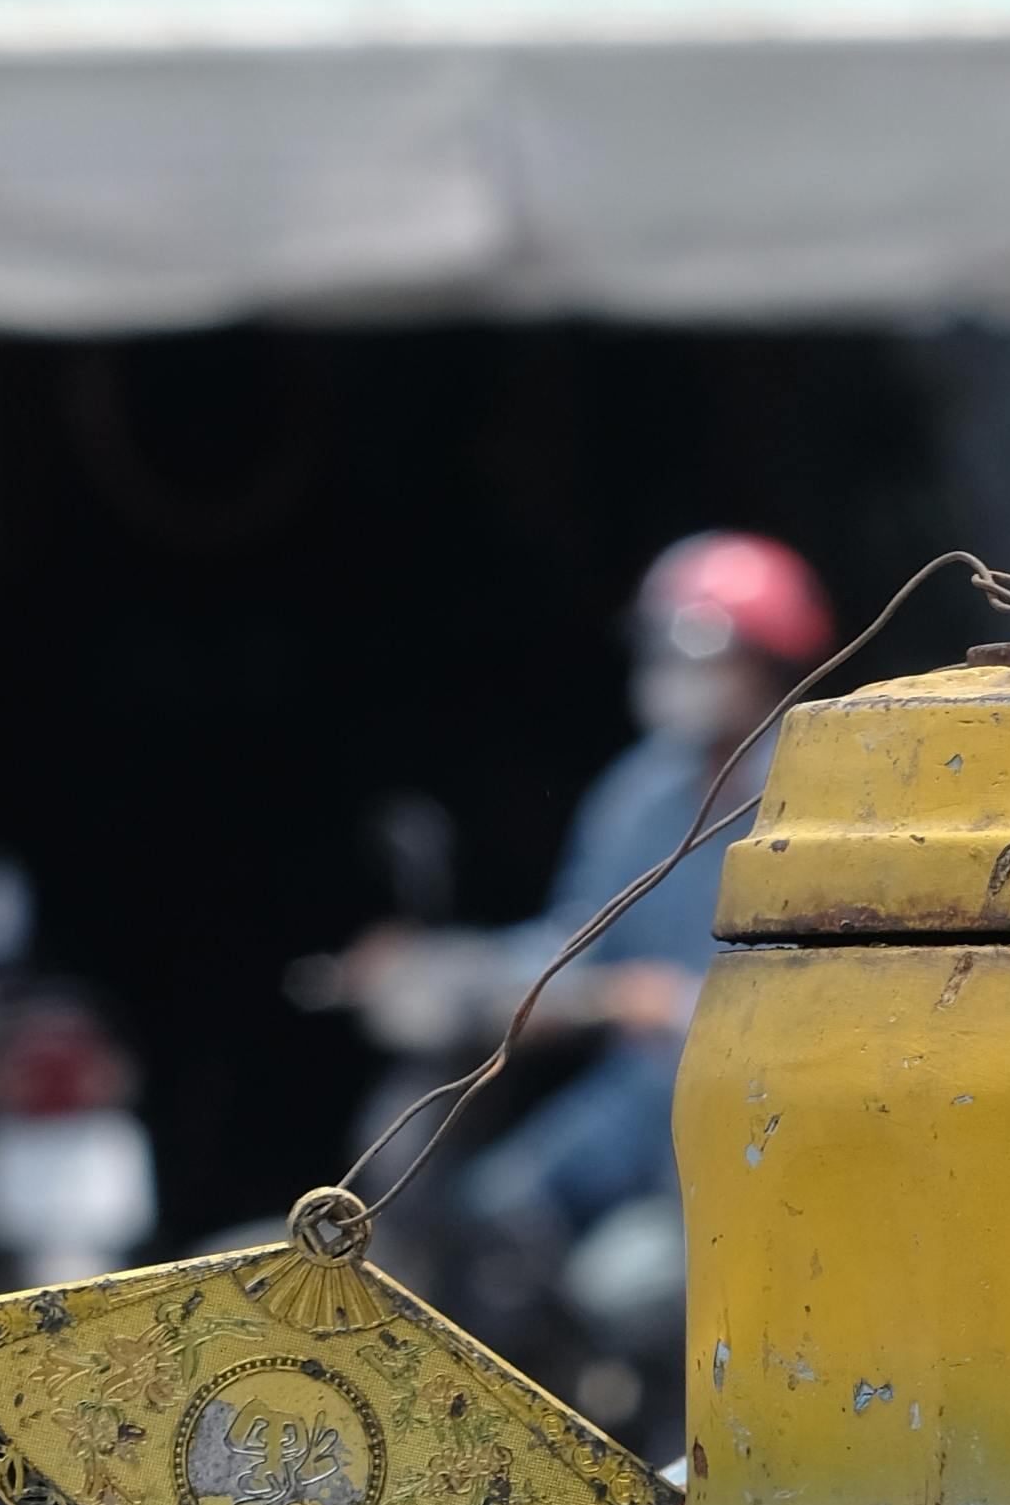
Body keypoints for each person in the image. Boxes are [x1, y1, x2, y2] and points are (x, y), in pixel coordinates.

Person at [322, 531, 834, 1355]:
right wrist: (455, 967)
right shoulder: (642, 791)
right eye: (660, 645)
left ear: (770, 663)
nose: (674, 671)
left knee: (645, 1290)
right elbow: (575, 944)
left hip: (759, 1112)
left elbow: (832, 986)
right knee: (501, 1219)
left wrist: (677, 1000)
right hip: (638, 1101)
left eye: (699, 649)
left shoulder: (816, 788)